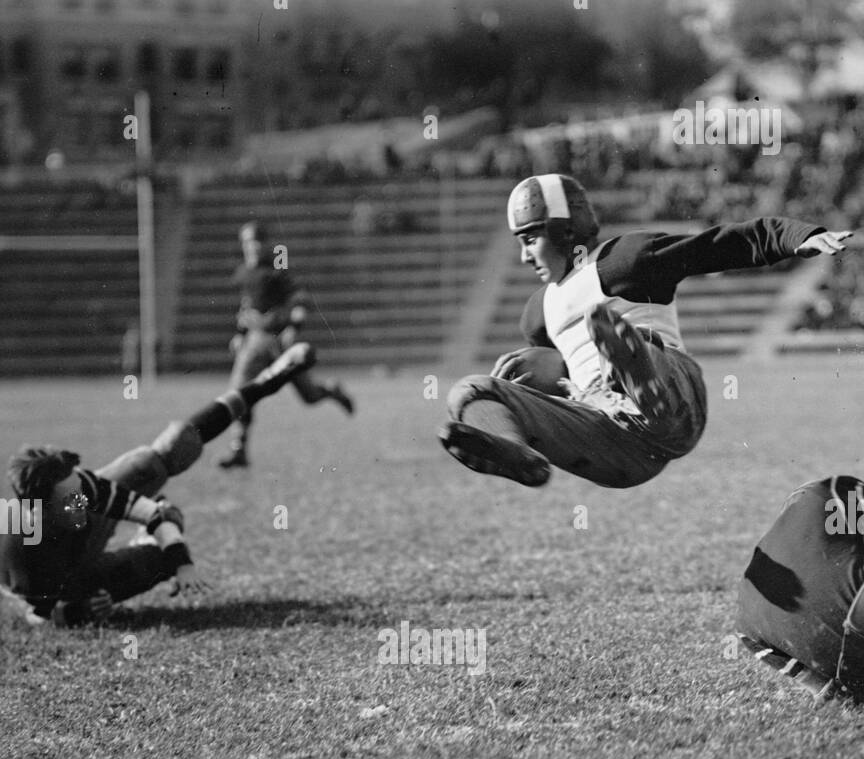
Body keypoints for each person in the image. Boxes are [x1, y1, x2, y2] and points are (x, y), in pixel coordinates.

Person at [439, 173, 851, 489]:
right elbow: (560, 379)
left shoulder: (625, 261)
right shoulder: (537, 313)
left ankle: (632, 362)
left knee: (629, 348)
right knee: (471, 391)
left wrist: (800, 235)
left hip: (676, 405)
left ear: (565, 230)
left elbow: (721, 245)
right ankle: (518, 452)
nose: (525, 255)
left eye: (531, 239)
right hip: (617, 442)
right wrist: (553, 369)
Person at [0, 342, 314, 627]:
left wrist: (183, 560)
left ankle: (265, 382)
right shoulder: (21, 547)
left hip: (70, 547)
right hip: (70, 579)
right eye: (70, 500)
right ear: (36, 512)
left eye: (79, 491)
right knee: (154, 561)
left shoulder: (80, 490)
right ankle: (142, 549)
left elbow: (146, 510)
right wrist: (77, 610)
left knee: (162, 459)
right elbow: (32, 614)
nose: (83, 502)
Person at [217, 220, 354, 470]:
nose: (252, 247)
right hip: (255, 342)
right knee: (238, 393)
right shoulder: (243, 273)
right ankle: (239, 448)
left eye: (257, 241)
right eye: (248, 242)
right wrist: (239, 333)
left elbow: (300, 299)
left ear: (265, 244)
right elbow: (247, 305)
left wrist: (293, 327)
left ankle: (332, 390)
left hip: (279, 342)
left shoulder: (276, 270)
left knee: (309, 396)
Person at [738, 476, 864, 702]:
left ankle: (823, 688)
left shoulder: (821, 498)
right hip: (847, 626)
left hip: (755, 630)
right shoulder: (845, 492)